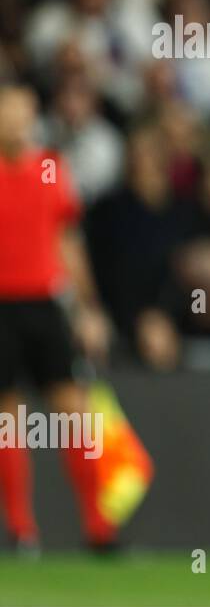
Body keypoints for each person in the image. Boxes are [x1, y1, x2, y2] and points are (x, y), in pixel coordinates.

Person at [0, 83, 116, 552]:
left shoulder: (50, 167)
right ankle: (22, 530)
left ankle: (98, 527)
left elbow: (67, 241)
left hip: (46, 306)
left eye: (22, 113)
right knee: (9, 422)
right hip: (1, 307)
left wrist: (87, 308)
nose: (15, 122)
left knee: (75, 417)